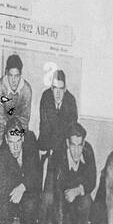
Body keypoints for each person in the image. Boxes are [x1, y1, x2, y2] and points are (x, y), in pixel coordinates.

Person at [0, 117, 44, 224]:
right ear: (6, 140)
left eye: (18, 141)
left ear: (23, 138)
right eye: (11, 142)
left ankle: (29, 221)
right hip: (11, 190)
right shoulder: (2, 153)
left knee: (30, 206)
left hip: (28, 188)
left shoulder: (31, 139)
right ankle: (8, 218)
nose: (15, 147)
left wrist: (23, 186)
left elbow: (37, 172)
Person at [49, 121, 97, 224]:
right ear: (67, 143)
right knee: (57, 205)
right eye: (73, 145)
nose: (76, 151)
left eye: (79, 145)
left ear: (83, 144)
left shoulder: (88, 151)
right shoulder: (58, 154)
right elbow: (57, 192)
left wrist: (77, 190)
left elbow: (92, 180)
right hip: (62, 195)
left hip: (78, 193)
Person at [37, 69, 79, 209]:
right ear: (51, 88)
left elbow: (70, 133)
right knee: (46, 182)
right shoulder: (45, 97)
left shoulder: (71, 102)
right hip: (48, 145)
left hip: (63, 148)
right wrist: (47, 151)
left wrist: (57, 149)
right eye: (55, 88)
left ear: (65, 89)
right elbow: (44, 128)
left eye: (61, 89)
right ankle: (41, 218)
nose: (58, 93)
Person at [0, 53, 33, 147]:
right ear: (6, 73)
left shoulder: (26, 90)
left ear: (21, 75)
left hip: (19, 127)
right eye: (11, 75)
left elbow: (25, 120)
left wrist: (20, 143)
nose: (13, 80)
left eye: (17, 76)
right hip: (2, 127)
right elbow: (0, 119)